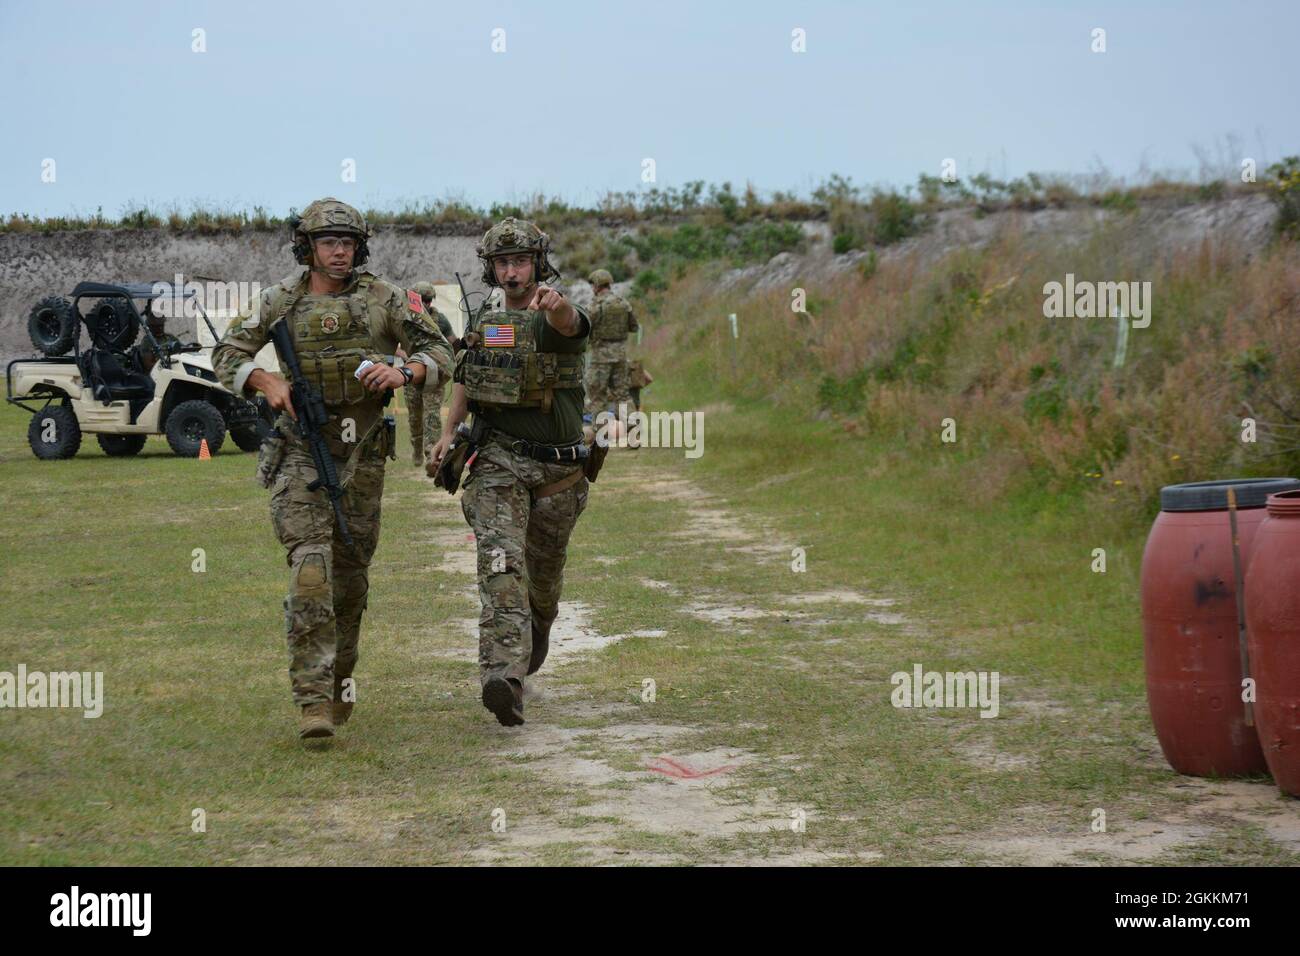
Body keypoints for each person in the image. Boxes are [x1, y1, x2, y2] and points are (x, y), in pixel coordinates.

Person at [211, 197, 452, 741]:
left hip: (363, 455)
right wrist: (265, 380)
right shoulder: (279, 301)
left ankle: (342, 676)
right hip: (300, 448)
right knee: (310, 569)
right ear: (309, 248)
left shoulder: (386, 299)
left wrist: (406, 372)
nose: (339, 252)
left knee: (350, 577)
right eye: (328, 243)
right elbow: (226, 353)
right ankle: (312, 699)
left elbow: (442, 352)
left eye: (347, 242)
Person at [428, 217, 590, 726]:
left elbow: (572, 325)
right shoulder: (488, 320)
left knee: (542, 583)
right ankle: (504, 679)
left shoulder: (553, 313)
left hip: (559, 474)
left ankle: (535, 634)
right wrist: (448, 433)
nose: (512, 271)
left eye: (520, 261)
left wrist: (558, 305)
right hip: (498, 462)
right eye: (502, 263)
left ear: (537, 264)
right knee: (500, 564)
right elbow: (467, 378)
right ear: (491, 269)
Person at [401, 281, 456, 467]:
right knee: (415, 416)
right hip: (411, 374)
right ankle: (417, 447)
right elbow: (393, 344)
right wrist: (408, 357)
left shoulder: (439, 319)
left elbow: (452, 341)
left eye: (428, 300)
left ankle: (430, 452)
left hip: (434, 374)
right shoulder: (405, 319)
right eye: (422, 300)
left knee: (432, 414)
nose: (426, 304)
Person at [583, 269, 638, 422]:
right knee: (623, 396)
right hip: (620, 354)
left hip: (599, 357)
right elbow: (634, 327)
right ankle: (634, 434)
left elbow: (585, 331)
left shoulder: (594, 306)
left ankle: (601, 439)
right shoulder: (623, 303)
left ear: (596, 285)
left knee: (598, 398)